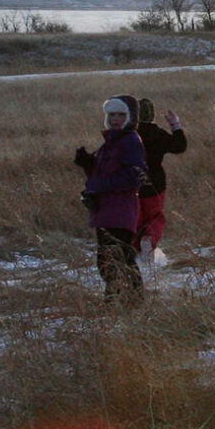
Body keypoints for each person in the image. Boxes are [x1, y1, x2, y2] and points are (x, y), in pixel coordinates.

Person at [74, 94, 148, 301]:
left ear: (129, 117)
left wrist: (99, 185)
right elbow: (102, 174)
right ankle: (119, 297)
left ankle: (129, 299)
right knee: (109, 258)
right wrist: (88, 164)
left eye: (120, 114)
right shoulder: (111, 142)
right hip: (106, 209)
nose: (115, 118)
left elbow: (136, 176)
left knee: (119, 257)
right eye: (112, 114)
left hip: (121, 208)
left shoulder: (130, 141)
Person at [133, 97, 189, 262]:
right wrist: (175, 125)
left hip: (132, 184)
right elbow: (180, 146)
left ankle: (136, 248)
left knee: (136, 217)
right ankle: (149, 240)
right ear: (153, 115)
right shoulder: (157, 133)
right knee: (155, 216)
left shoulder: (130, 135)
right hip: (155, 183)